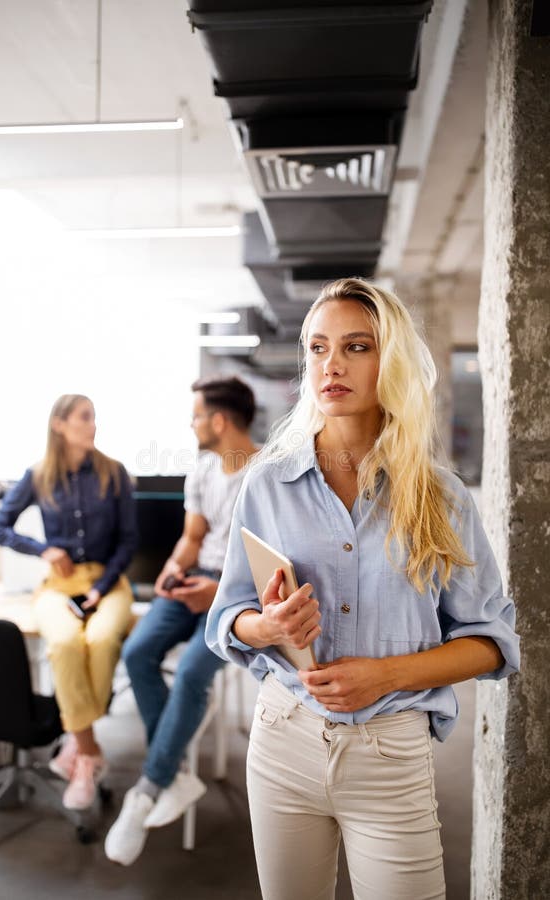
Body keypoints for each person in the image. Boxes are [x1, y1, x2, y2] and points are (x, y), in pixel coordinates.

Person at [206, 278, 520, 900]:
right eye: (318, 348)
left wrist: (387, 674)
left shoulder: (440, 497)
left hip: (391, 751)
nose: (333, 365)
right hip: (283, 738)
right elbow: (228, 616)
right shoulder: (267, 484)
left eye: (356, 346)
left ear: (391, 360)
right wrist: (266, 628)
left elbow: (491, 643)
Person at [105, 375, 259, 866]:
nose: (190, 424)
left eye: (195, 415)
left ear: (218, 420)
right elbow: (193, 537)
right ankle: (172, 773)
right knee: (136, 652)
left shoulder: (267, 475)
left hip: (235, 591)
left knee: (193, 671)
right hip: (192, 578)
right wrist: (173, 571)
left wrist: (217, 593)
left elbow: (269, 560)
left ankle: (148, 789)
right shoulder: (203, 470)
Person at [0, 394, 137, 810]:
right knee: (66, 643)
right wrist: (42, 550)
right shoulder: (38, 475)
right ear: (59, 424)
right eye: (85, 417)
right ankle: (88, 752)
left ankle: (75, 743)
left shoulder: (115, 473)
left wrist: (99, 588)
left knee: (103, 641)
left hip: (108, 582)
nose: (93, 425)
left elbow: (129, 542)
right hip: (58, 583)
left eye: (94, 417)